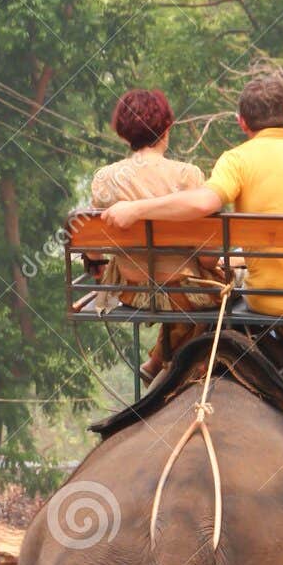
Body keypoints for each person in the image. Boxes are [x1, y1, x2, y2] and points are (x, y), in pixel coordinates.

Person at [101, 74, 283, 420]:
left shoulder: (236, 160)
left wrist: (135, 210)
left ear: (243, 123)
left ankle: (163, 363)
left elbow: (202, 203)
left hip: (264, 297)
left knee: (238, 272)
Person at [90, 89, 218, 380]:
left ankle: (157, 362)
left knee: (177, 283)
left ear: (124, 135)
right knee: (221, 289)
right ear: (167, 128)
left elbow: (93, 249)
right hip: (185, 294)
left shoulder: (104, 179)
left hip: (132, 291)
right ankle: (167, 363)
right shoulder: (188, 176)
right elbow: (209, 259)